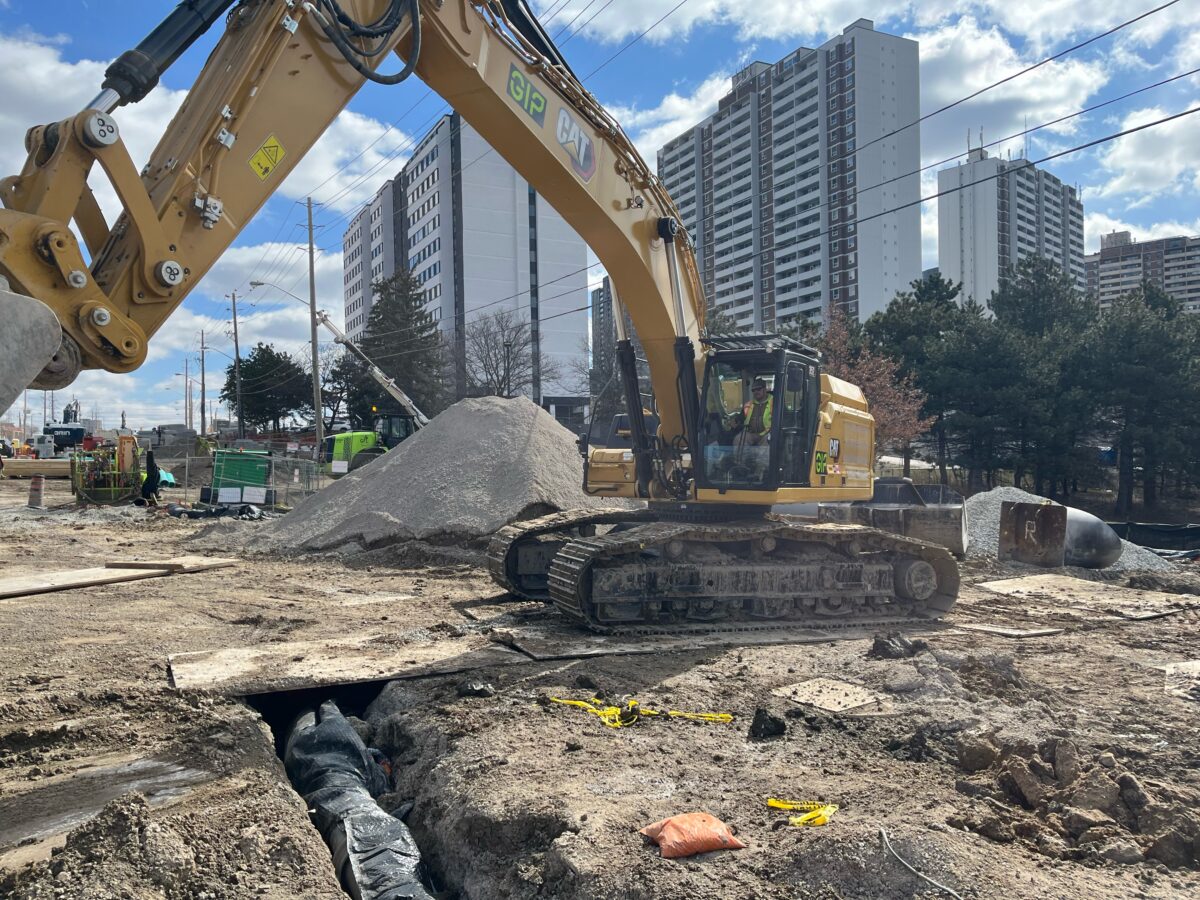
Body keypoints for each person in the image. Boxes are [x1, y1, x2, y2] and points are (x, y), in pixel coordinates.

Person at [741, 378, 773, 446]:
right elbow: (740, 418)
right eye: (753, 390)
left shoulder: (775, 403)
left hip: (767, 434)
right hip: (751, 434)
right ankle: (744, 457)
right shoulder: (748, 405)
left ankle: (762, 457)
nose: (756, 392)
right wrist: (735, 421)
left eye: (758, 389)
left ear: (765, 389)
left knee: (768, 440)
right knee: (738, 439)